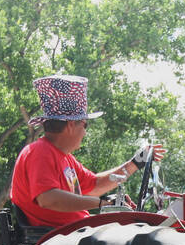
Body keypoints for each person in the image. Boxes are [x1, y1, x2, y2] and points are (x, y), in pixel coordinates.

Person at [9, 74, 164, 231]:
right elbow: (48, 199)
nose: (85, 133)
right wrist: (101, 203)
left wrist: (136, 163)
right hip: (65, 239)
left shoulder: (64, 158)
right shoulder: (39, 152)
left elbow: (95, 185)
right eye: (85, 125)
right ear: (70, 125)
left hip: (76, 234)